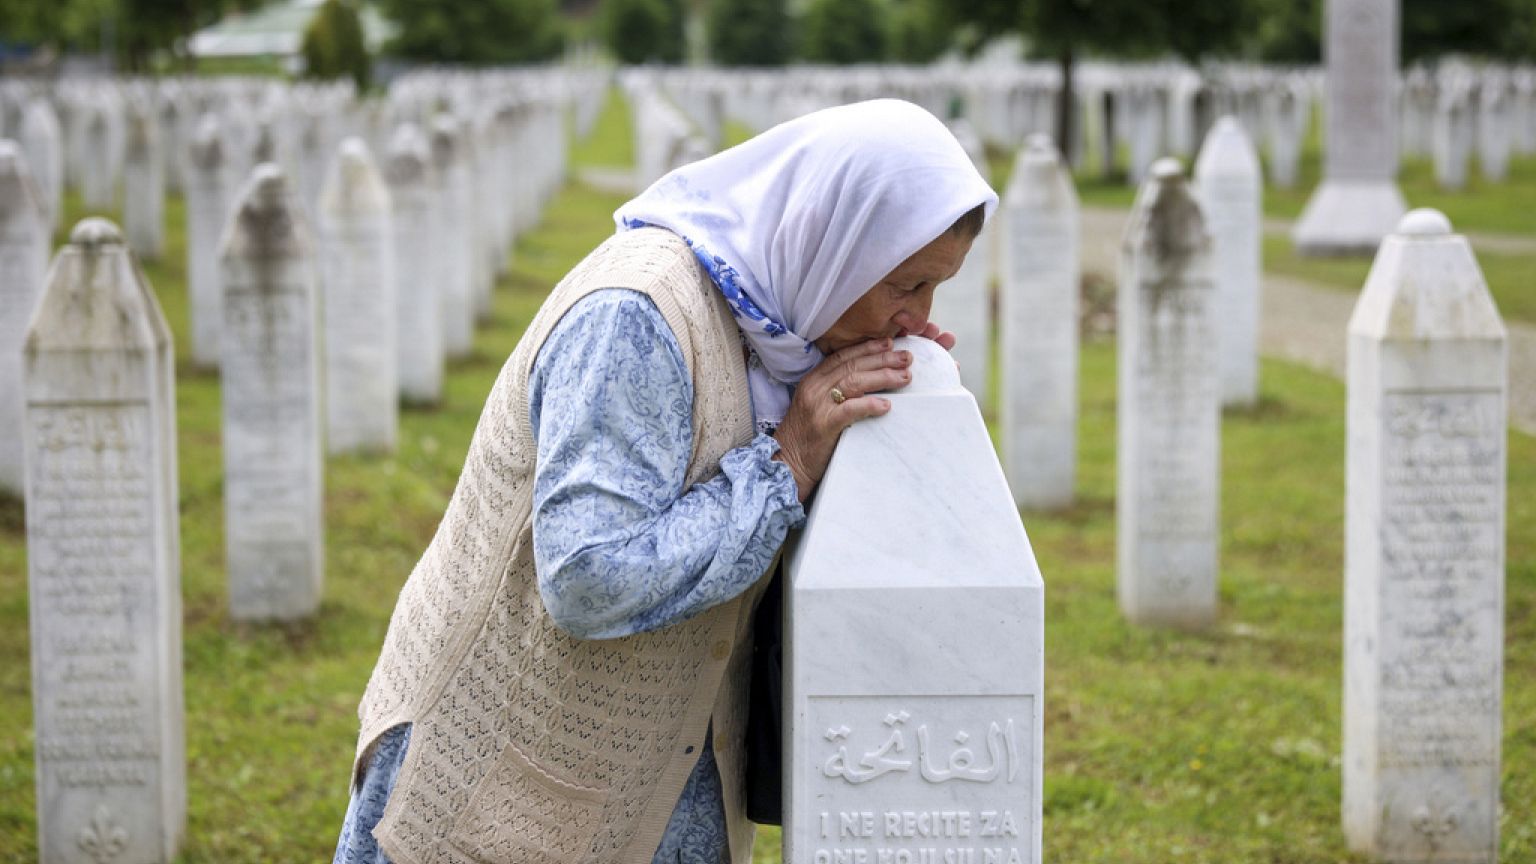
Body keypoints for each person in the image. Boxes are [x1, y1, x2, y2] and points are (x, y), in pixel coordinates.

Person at [333, 98, 997, 864]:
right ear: (835, 242)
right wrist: (788, 460)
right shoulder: (636, 317)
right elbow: (590, 577)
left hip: (660, 785)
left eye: (933, 292)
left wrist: (887, 423)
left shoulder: (780, 335)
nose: (915, 317)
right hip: (504, 781)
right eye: (906, 285)